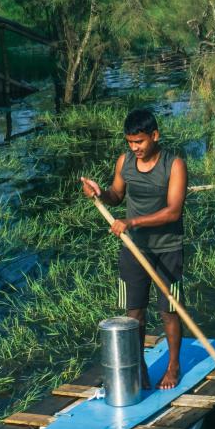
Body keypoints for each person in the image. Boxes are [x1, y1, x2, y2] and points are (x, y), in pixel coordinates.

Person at [80, 108, 188, 390]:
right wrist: (99, 193)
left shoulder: (173, 164)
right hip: (133, 248)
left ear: (154, 135)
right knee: (134, 312)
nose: (134, 148)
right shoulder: (125, 162)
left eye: (139, 141)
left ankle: (173, 365)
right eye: (130, 142)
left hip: (168, 248)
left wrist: (132, 221)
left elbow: (173, 212)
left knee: (169, 311)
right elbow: (116, 195)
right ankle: (138, 367)